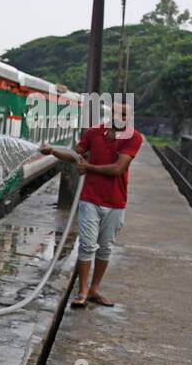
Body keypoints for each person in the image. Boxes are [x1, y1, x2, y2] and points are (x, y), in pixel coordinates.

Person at [40, 100, 144, 308]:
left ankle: (95, 289)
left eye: (124, 115)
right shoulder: (94, 133)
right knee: (87, 246)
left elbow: (118, 169)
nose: (119, 118)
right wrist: (52, 151)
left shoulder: (134, 137)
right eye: (116, 113)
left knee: (105, 248)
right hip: (90, 198)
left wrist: (88, 167)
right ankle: (83, 292)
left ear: (129, 118)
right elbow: (74, 155)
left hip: (115, 202)